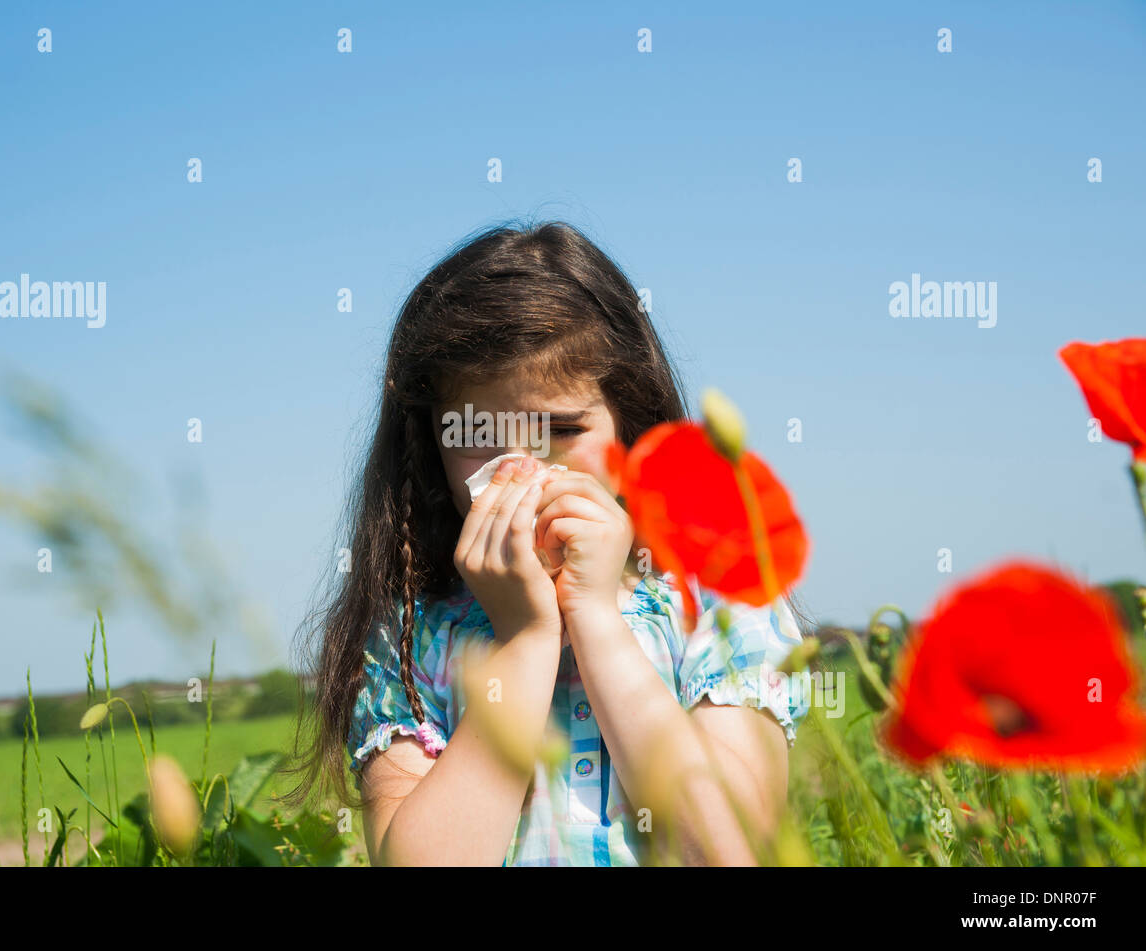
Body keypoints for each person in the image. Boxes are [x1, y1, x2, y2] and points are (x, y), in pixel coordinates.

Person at [285, 219, 810, 865]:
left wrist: (594, 618)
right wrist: (525, 641)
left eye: (560, 427)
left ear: (631, 424)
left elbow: (729, 852)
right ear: (430, 448)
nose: (521, 465)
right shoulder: (410, 633)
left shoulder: (718, 594)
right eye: (479, 431)